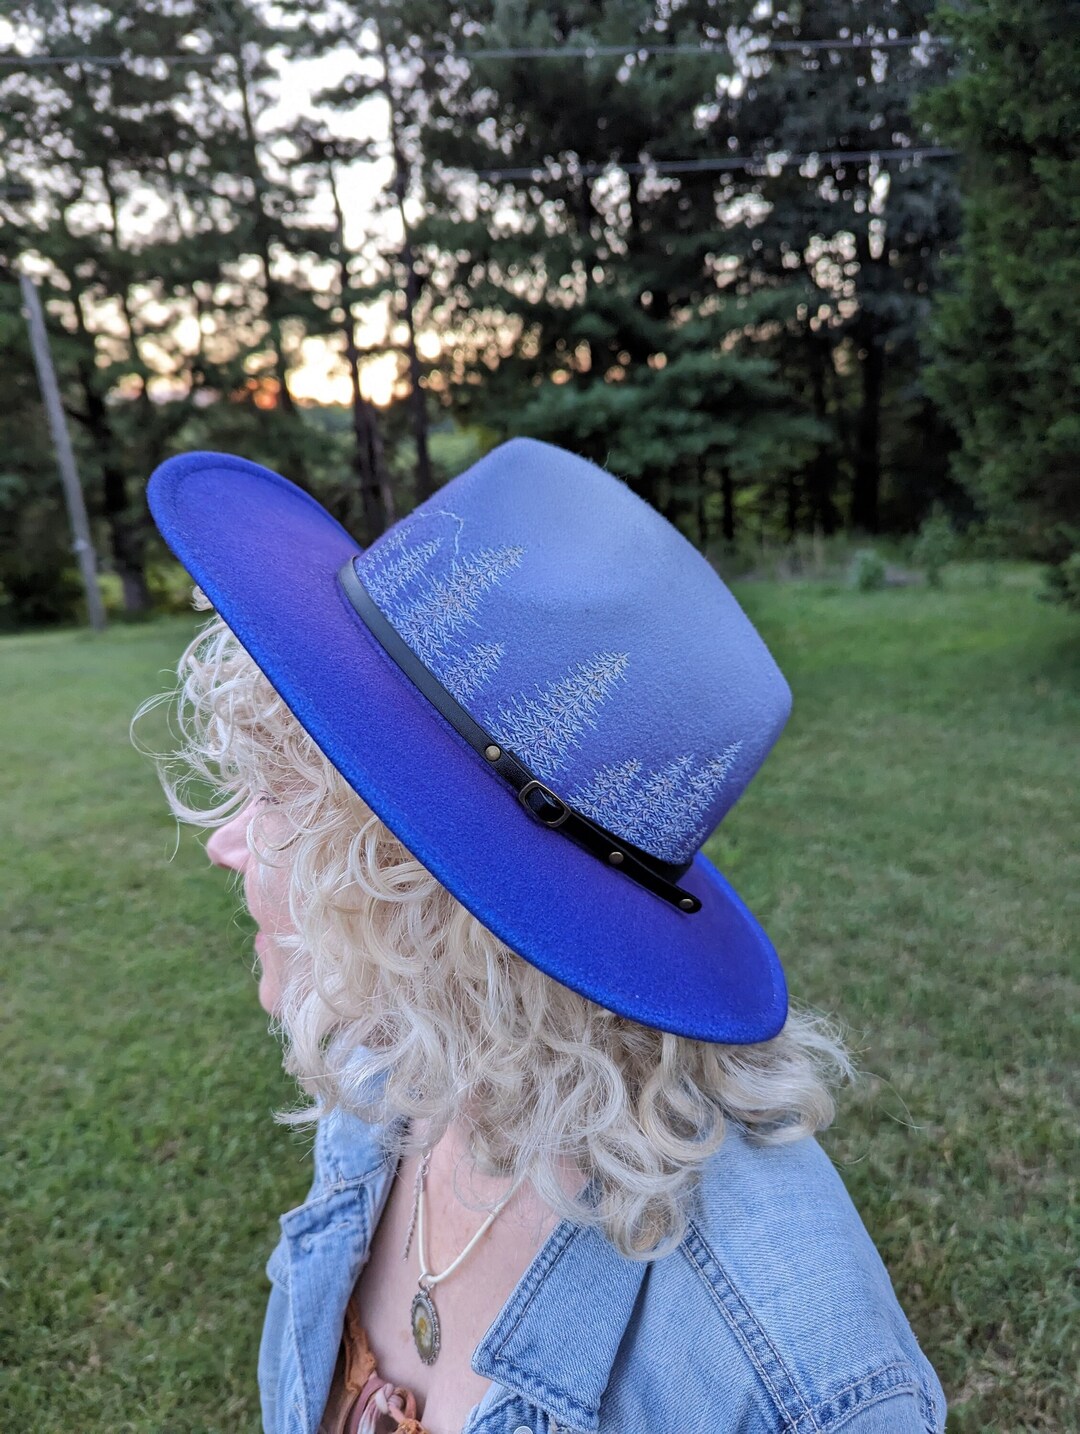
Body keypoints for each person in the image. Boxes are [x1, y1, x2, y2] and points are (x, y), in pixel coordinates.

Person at [136, 438, 947, 1434]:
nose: (225, 843)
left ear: (418, 893)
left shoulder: (795, 1380)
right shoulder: (398, 1064)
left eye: (274, 798)